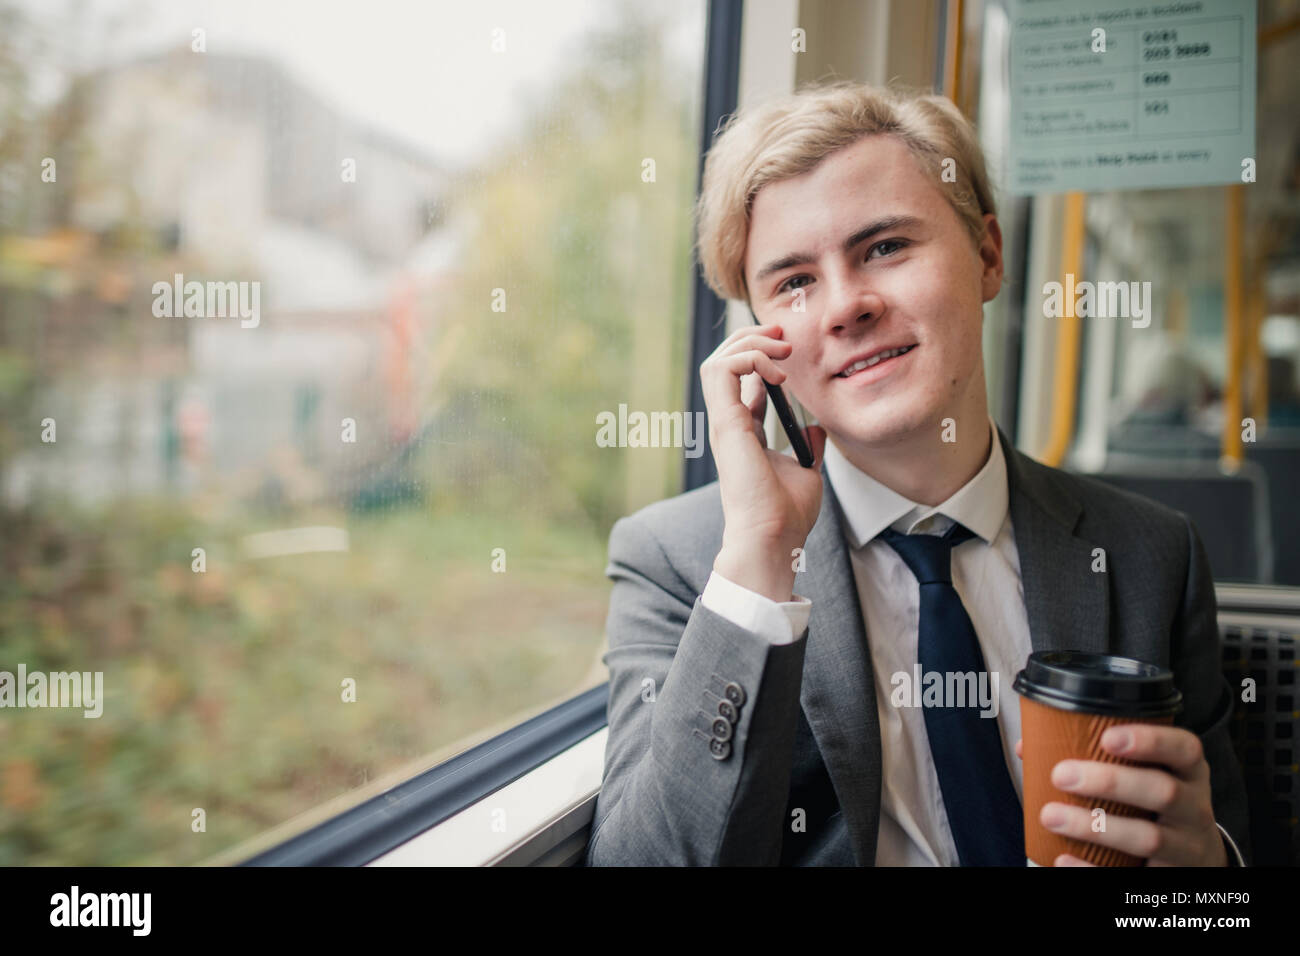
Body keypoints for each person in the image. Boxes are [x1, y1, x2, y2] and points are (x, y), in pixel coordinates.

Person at [585, 81, 1250, 866]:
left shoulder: (1149, 554)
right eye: (794, 282)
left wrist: (1208, 875)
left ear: (988, 256)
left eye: (887, 247)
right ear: (763, 338)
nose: (843, 307)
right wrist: (763, 558)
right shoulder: (680, 564)